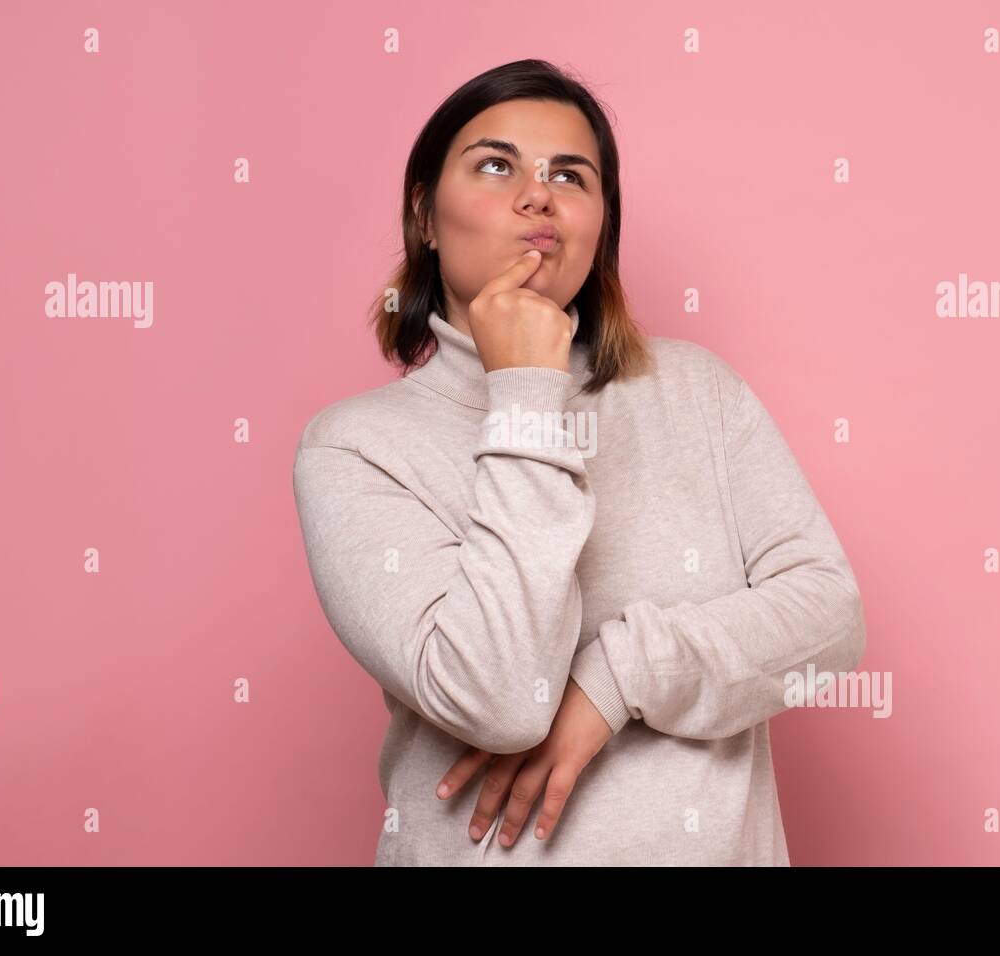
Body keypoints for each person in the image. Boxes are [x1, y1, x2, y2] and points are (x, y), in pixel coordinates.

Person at [292, 59, 866, 865]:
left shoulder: (696, 392)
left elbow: (830, 620)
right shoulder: (356, 447)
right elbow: (500, 699)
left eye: (570, 175)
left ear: (600, 227)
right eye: (497, 165)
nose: (538, 196)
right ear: (425, 214)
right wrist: (525, 390)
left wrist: (615, 680)